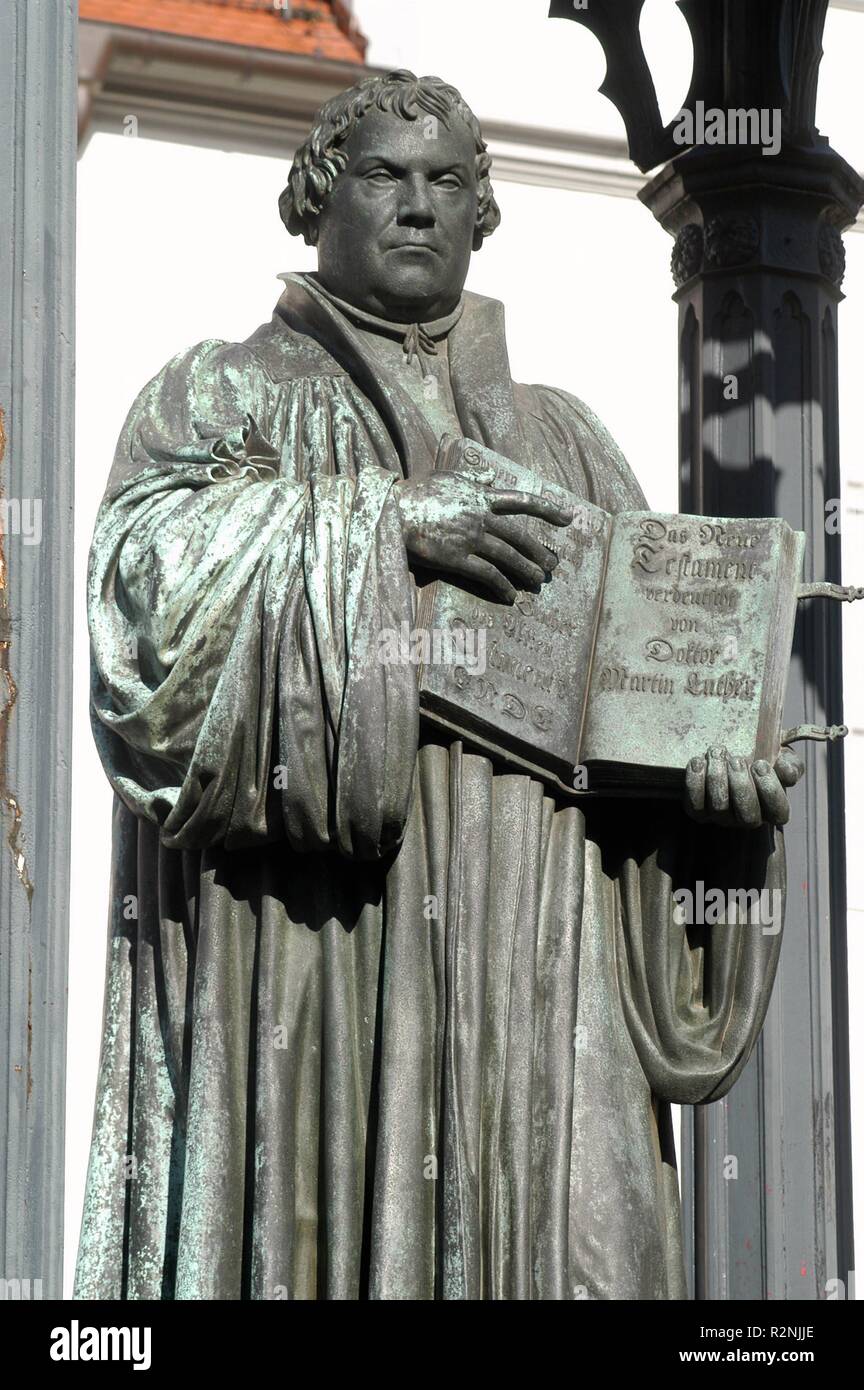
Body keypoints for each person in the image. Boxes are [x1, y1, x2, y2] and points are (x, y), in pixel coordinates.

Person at [75, 70, 802, 1301]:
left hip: (548, 965)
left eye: (449, 181)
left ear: (481, 212)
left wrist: (716, 822)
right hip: (323, 951)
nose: (418, 206)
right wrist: (380, 526)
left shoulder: (569, 439)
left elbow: (641, 719)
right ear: (316, 201)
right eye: (382, 176)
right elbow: (141, 629)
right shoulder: (220, 393)